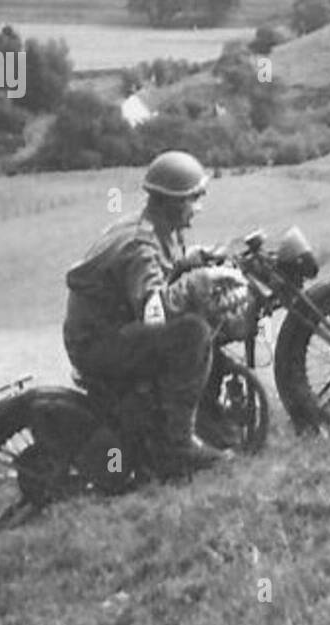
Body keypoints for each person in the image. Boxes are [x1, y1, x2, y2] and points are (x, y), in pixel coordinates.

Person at [62, 150, 229, 476]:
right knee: (192, 332)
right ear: (172, 202)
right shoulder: (140, 244)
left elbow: (161, 268)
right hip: (99, 343)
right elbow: (155, 310)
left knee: (196, 324)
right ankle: (177, 446)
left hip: (109, 332)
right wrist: (197, 281)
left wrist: (191, 260)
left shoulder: (154, 227)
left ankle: (199, 421)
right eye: (192, 199)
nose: (198, 207)